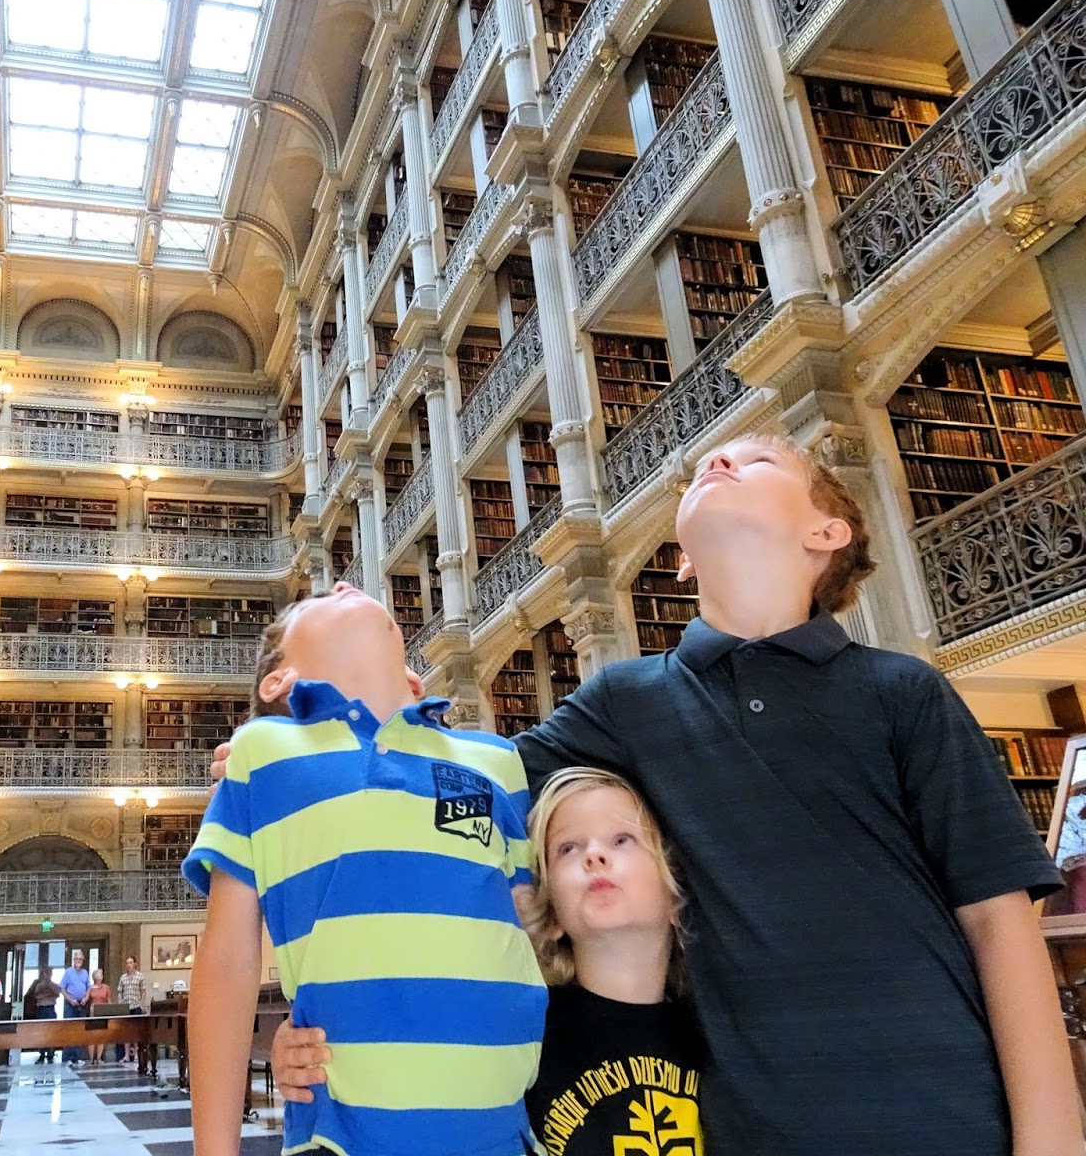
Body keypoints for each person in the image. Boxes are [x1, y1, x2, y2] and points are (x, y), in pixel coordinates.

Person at [217, 433, 1079, 1156]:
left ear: (828, 532)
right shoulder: (628, 703)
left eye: (755, 460)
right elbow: (439, 805)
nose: (716, 460)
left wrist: (1053, 1138)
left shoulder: (901, 691)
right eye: (705, 465)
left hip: (943, 1108)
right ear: (681, 558)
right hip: (747, 1127)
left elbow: (998, 920)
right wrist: (302, 760)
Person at [184, 583, 546, 1156]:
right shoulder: (262, 753)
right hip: (344, 1135)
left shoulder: (497, 760)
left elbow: (531, 929)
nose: (343, 585)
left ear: (413, 680)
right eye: (318, 601)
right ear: (278, 682)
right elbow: (227, 959)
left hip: (504, 1132)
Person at [274, 766, 704, 1156]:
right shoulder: (513, 1023)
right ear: (550, 914)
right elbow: (400, 1039)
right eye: (568, 848)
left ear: (675, 894)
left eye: (622, 839)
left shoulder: (716, 1029)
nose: (594, 855)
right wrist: (299, 1048)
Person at [58, 951, 92, 1067]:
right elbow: (61, 988)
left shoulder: (85, 972)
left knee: (80, 1030)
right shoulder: (68, 972)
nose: (79, 961)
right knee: (69, 1030)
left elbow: (88, 987)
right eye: (77, 959)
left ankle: (78, 1057)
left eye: (81, 959)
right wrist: (70, 999)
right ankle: (68, 1058)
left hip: (81, 1004)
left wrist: (86, 997)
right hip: (70, 1004)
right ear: (73, 960)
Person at [24, 966, 62, 1064]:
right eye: (46, 973)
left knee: (51, 1032)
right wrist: (47, 994)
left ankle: (50, 1054)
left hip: (50, 1008)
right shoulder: (37, 985)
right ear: (43, 974)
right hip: (41, 1009)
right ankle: (41, 1054)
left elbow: (57, 994)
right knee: (41, 1032)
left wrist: (48, 990)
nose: (48, 975)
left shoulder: (54, 985)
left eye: (50, 973)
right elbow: (36, 995)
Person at [116, 955, 146, 1066]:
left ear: (135, 964)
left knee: (136, 1031)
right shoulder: (123, 977)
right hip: (126, 1007)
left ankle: (137, 1054)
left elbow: (143, 991)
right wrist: (120, 1003)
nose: (128, 965)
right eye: (127, 963)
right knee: (127, 1032)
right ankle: (127, 1055)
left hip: (136, 1006)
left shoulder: (140, 976)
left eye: (130, 963)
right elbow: (119, 991)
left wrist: (141, 1004)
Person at [84, 968, 113, 1065]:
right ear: (94, 977)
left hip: (103, 1013)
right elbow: (86, 999)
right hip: (92, 1014)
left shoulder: (106, 987)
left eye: (101, 974)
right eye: (97, 974)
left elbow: (109, 1000)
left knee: (101, 1036)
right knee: (91, 1036)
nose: (99, 976)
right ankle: (91, 1058)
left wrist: (111, 1011)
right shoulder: (90, 988)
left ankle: (99, 1058)